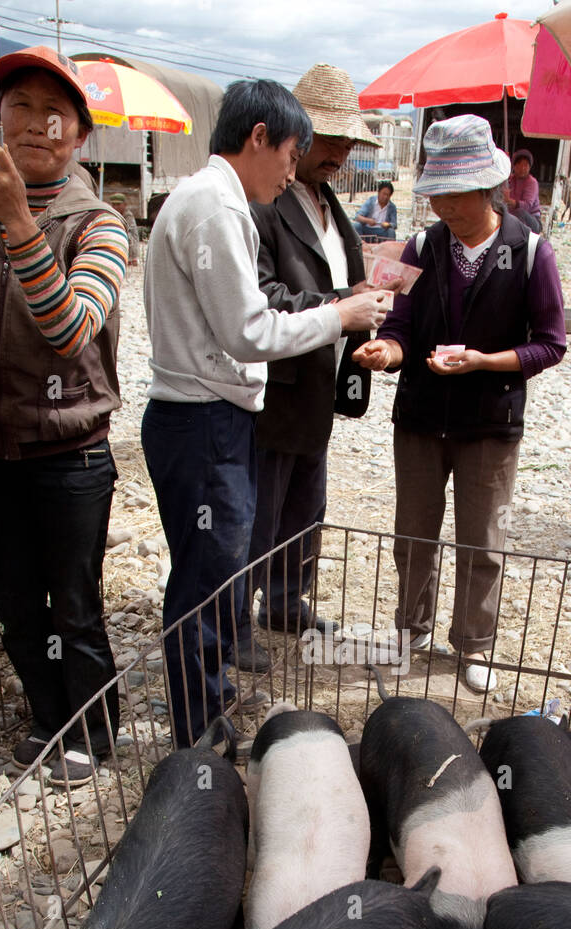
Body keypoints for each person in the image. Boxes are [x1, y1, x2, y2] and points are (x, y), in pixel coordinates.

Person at [141, 78, 388, 747]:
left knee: (218, 572)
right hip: (204, 421)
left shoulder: (207, 199)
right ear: (259, 138)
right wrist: (339, 314)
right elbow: (251, 333)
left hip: (206, 416)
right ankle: (199, 730)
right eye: (290, 152)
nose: (291, 170)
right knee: (206, 579)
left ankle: (211, 699)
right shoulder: (217, 209)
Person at [0, 45, 128, 786]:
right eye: (18, 104)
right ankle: (46, 713)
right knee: (18, 604)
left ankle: (92, 725)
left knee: (74, 606)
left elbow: (70, 331)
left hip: (71, 454)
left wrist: (20, 222)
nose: (33, 123)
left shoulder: (101, 226)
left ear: (78, 136)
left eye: (53, 112)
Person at [353, 114, 566, 694]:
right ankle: (411, 628)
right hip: (421, 417)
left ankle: (475, 642)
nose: (444, 205)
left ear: (487, 188)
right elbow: (398, 325)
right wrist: (386, 353)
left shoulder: (530, 253)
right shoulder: (420, 247)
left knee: (482, 537)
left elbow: (550, 344)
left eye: (454, 194)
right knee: (413, 530)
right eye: (436, 194)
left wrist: (482, 361)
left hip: (490, 422)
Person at [232, 62, 382, 671]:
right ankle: (234, 617)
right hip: (278, 382)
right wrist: (339, 308)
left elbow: (334, 277)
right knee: (258, 507)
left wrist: (364, 291)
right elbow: (263, 298)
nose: (342, 152)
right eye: (332, 139)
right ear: (297, 136)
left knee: (305, 503)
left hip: (317, 380)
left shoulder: (329, 203)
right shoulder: (262, 204)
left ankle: (287, 601)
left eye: (350, 141)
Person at [506, 149, 541, 230]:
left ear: (529, 167)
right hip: (513, 218)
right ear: (514, 166)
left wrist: (510, 202)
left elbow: (527, 206)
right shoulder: (509, 180)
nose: (522, 168)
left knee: (520, 213)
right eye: (519, 164)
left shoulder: (532, 182)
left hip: (532, 219)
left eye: (525, 165)